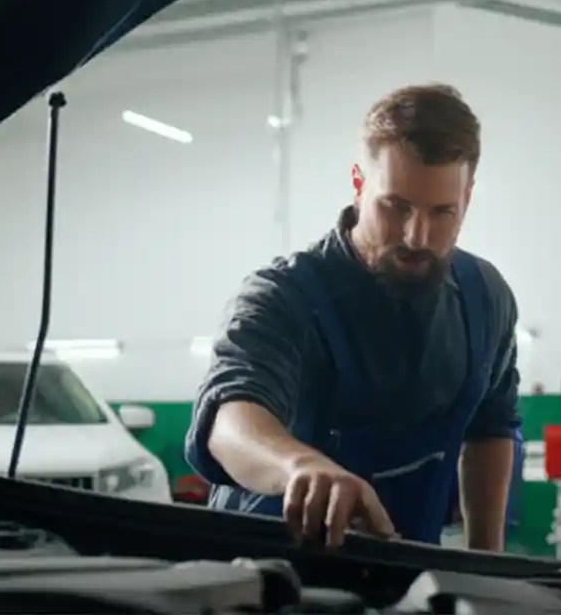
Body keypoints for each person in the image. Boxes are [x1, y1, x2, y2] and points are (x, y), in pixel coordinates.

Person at [184, 83, 521, 550]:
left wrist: (487, 562)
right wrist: (300, 468)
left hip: (407, 570)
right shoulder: (283, 297)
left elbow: (490, 428)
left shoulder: (485, 299)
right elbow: (230, 423)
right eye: (396, 207)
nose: (417, 236)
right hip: (268, 569)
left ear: (467, 197)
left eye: (442, 212)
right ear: (359, 185)